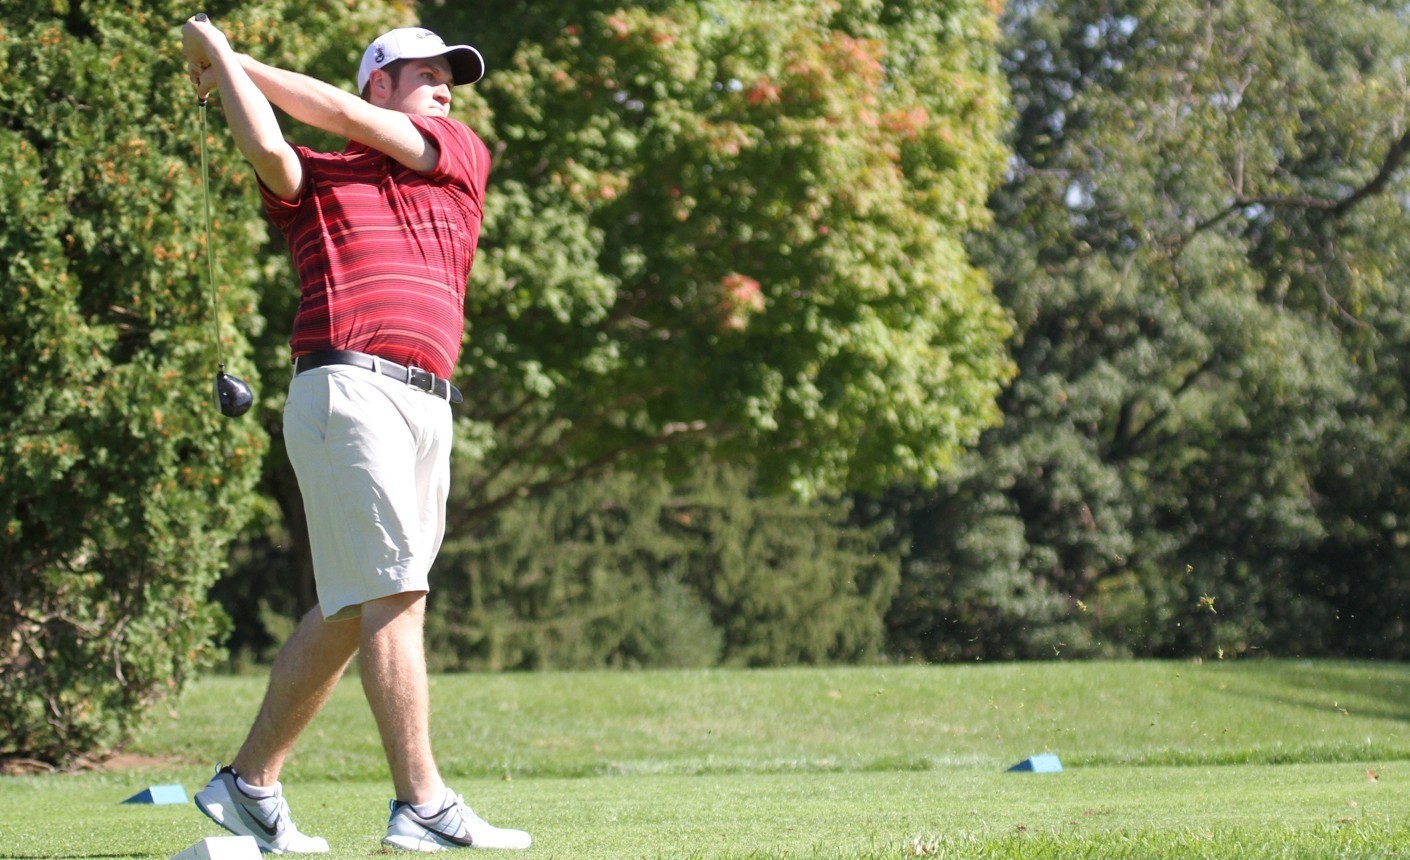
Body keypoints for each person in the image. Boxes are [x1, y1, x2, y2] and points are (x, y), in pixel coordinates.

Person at [179, 15, 530, 853]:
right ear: (381, 79)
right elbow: (269, 149)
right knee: (396, 589)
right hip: (347, 385)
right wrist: (223, 68)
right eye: (425, 73)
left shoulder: (458, 153)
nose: (446, 86)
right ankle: (422, 805)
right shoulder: (323, 178)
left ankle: (248, 788)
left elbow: (343, 116)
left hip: (428, 403)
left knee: (350, 606)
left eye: (450, 74)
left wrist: (231, 55)